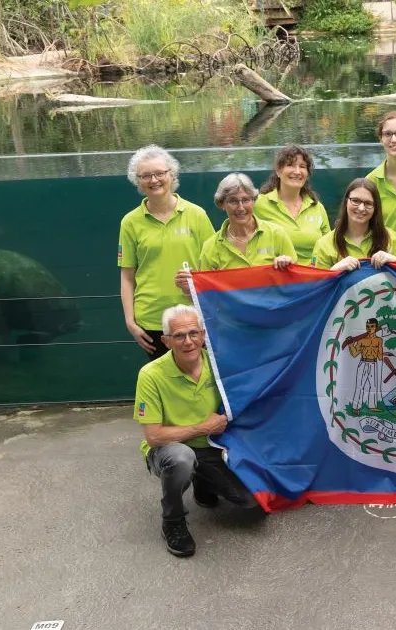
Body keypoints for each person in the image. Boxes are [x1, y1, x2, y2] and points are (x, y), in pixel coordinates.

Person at [134, 304, 264, 557]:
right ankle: (173, 521)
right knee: (181, 459)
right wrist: (203, 427)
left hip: (214, 446)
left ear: (204, 335)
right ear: (166, 341)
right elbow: (154, 436)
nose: (188, 341)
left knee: (252, 502)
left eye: (194, 333)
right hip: (169, 449)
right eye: (179, 336)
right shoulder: (150, 375)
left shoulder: (220, 365)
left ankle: (203, 481)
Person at [118, 145, 215, 360]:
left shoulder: (196, 214)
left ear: (172, 175)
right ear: (138, 181)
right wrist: (130, 322)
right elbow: (127, 276)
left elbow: (214, 266)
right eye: (146, 176)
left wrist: (195, 285)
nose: (154, 180)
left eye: (160, 173)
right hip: (152, 320)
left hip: (195, 316)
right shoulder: (130, 222)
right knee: (166, 383)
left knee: (204, 381)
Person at [174, 173, 296, 295]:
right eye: (233, 201)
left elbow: (297, 282)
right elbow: (207, 298)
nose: (241, 207)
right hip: (230, 314)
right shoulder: (211, 247)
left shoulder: (276, 233)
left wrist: (288, 265)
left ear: (254, 201)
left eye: (246, 200)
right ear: (222, 204)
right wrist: (188, 288)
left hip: (273, 312)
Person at [253, 145, 330, 263]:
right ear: (278, 171)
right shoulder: (258, 204)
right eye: (290, 165)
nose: (297, 171)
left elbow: (329, 248)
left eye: (302, 166)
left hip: (314, 276)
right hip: (275, 275)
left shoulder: (317, 207)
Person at [310, 178, 396, 272]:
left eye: (368, 203)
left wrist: (395, 261)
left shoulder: (391, 239)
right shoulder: (324, 245)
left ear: (375, 207)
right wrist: (335, 270)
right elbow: (316, 285)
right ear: (346, 201)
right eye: (355, 201)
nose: (361, 208)